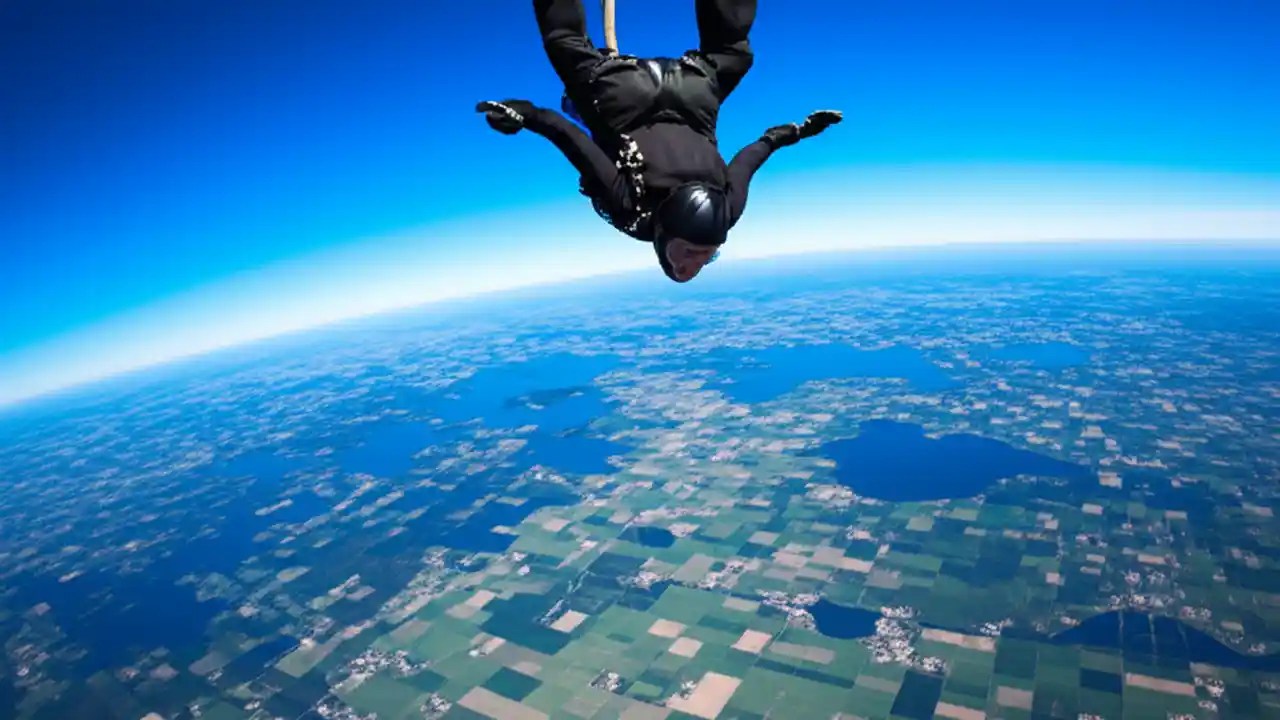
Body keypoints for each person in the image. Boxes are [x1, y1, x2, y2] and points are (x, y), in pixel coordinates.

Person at [476, 0, 842, 283]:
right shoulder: (631, 209)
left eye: (688, 257)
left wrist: (792, 132)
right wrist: (524, 114)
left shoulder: (725, 212)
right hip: (624, 96)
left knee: (733, 51)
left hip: (691, 92)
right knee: (565, 42)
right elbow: (568, 136)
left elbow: (754, 154)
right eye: (706, 258)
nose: (693, 266)